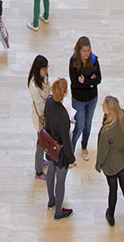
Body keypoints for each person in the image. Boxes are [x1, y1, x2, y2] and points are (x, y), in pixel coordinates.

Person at [96, 95, 124, 226]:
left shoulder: (107, 130)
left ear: (109, 109)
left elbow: (102, 151)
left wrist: (98, 165)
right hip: (123, 160)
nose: (102, 106)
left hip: (111, 165)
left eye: (104, 105)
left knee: (113, 189)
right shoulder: (123, 116)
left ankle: (111, 215)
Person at [43, 78, 76, 219]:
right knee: (60, 180)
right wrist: (72, 159)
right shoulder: (63, 115)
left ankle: (51, 201)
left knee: (51, 171)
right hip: (60, 151)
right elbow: (66, 142)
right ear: (65, 93)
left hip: (50, 145)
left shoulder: (48, 102)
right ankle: (58, 212)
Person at [69, 35, 102, 160]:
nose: (86, 53)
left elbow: (98, 79)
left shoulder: (94, 60)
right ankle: (71, 149)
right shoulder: (73, 62)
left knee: (88, 124)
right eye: (84, 51)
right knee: (80, 126)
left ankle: (84, 146)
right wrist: (91, 82)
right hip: (79, 100)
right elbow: (75, 82)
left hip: (92, 98)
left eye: (88, 50)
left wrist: (86, 81)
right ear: (79, 50)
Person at [28, 55, 52, 180]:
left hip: (46, 112)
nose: (46, 71)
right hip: (41, 118)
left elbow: (48, 89)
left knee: (42, 142)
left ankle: (41, 161)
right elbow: (39, 105)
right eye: (44, 69)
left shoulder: (44, 77)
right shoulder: (33, 85)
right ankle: (38, 172)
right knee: (41, 144)